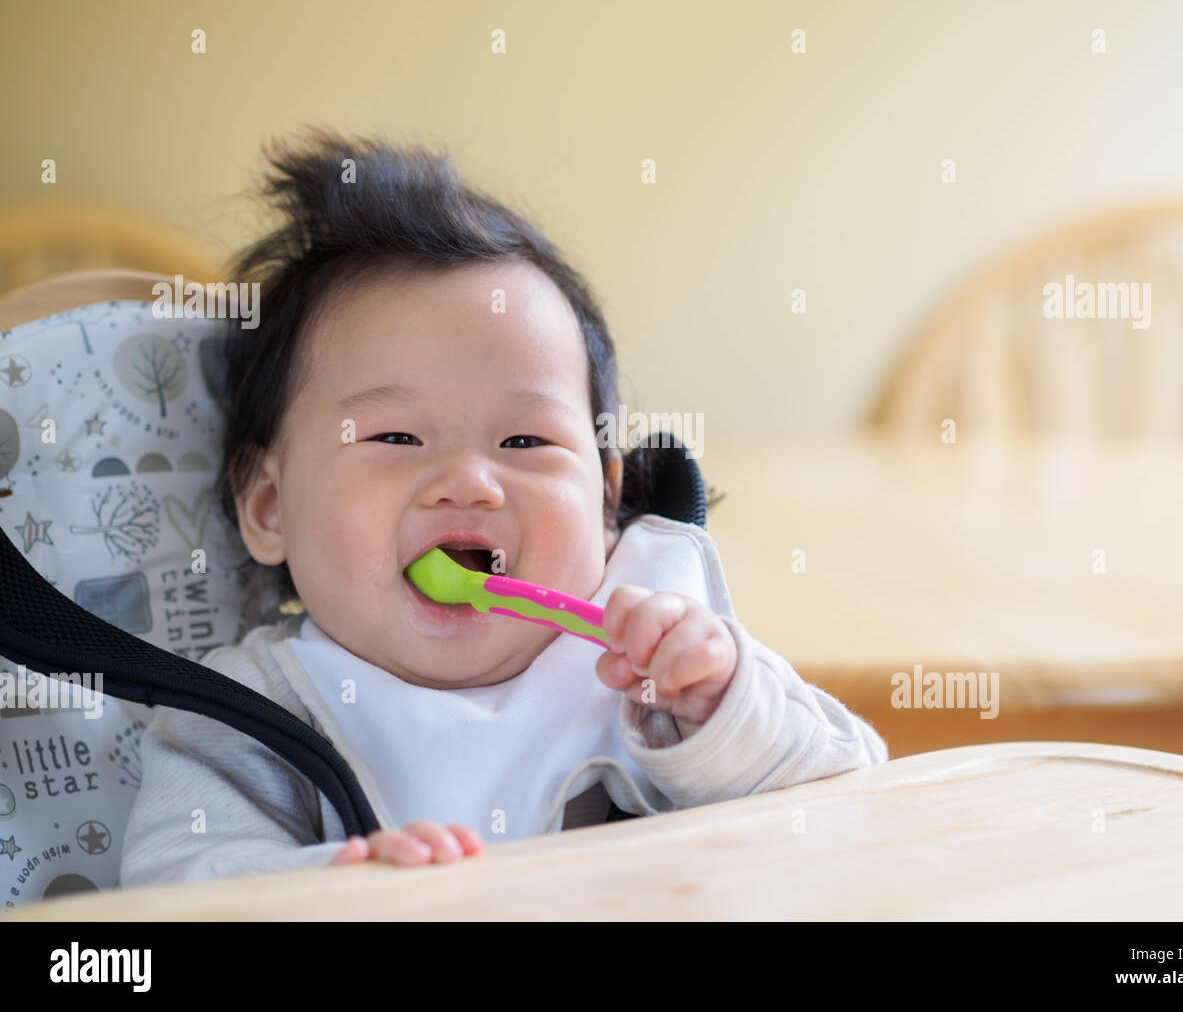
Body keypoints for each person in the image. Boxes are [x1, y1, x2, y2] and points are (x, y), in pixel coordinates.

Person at [118, 128, 888, 886]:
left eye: (523, 440)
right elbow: (173, 886)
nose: (470, 482)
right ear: (269, 506)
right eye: (395, 435)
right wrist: (335, 880)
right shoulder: (250, 717)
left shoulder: (648, 655)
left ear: (607, 497)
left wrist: (721, 713)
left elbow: (853, 804)